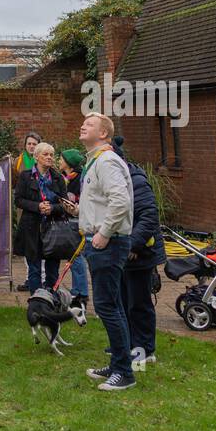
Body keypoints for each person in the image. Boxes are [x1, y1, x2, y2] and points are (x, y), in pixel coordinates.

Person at [78, 113, 136, 391]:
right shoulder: (96, 161)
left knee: (107, 306)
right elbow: (103, 201)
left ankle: (124, 372)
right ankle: (117, 364)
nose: (82, 126)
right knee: (110, 304)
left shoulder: (107, 161)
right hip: (100, 241)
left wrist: (103, 233)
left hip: (108, 243)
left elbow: (120, 200)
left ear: (104, 134)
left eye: (89, 124)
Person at [113, 134, 165, 368]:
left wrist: (132, 244)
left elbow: (149, 217)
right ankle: (127, 344)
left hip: (141, 253)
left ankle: (145, 348)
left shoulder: (135, 180)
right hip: (123, 253)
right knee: (123, 300)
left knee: (139, 303)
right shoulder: (115, 182)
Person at [13, 142, 67, 294]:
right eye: (45, 154)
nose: (49, 157)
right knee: (34, 269)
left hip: (53, 229)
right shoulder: (25, 176)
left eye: (51, 154)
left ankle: (51, 300)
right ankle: (36, 302)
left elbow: (65, 204)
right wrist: (37, 207)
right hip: (32, 228)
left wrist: (52, 208)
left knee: (52, 271)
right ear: (36, 157)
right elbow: (18, 200)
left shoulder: (58, 178)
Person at [58, 147, 89, 309]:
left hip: (78, 221)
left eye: (61, 159)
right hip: (69, 220)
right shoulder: (66, 178)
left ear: (69, 163)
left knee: (76, 258)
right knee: (72, 257)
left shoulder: (80, 179)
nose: (59, 161)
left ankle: (81, 292)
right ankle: (77, 289)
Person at [14, 132, 41, 290]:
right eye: (29, 143)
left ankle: (40, 278)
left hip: (41, 209)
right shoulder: (18, 161)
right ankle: (29, 278)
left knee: (41, 244)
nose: (31, 146)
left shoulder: (44, 158)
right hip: (24, 208)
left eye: (34, 143)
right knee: (27, 244)